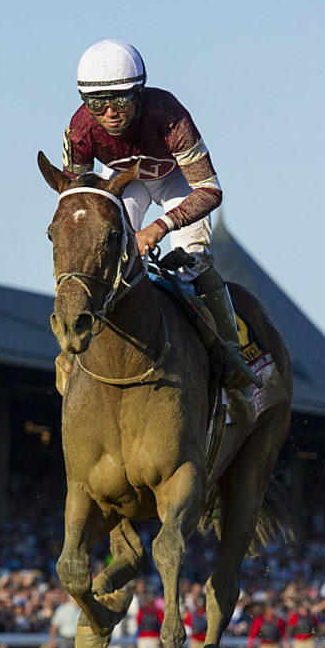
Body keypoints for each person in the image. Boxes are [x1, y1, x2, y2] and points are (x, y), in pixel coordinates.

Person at [62, 39, 259, 390]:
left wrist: (160, 226)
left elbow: (210, 190)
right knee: (98, 254)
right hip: (127, 183)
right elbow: (78, 202)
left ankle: (230, 351)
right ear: (85, 103)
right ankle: (72, 349)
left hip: (177, 180)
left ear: (140, 93)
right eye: (98, 103)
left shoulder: (168, 113)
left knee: (192, 263)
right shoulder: (81, 129)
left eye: (120, 99)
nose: (110, 112)